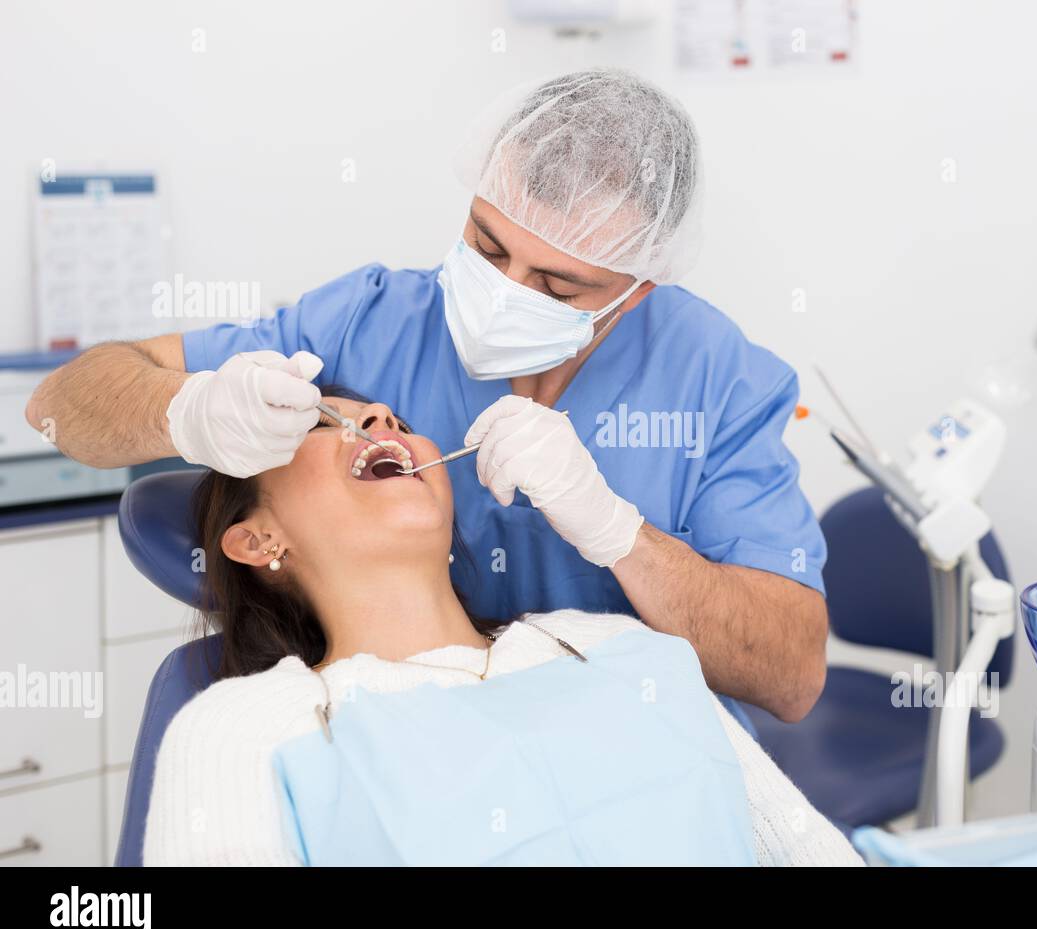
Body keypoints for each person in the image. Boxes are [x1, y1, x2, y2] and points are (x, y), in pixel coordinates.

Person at [27, 68, 827, 722]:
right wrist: (186, 411)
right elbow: (61, 403)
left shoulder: (717, 378)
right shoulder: (371, 320)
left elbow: (791, 678)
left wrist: (620, 535)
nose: (505, 290)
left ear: (637, 288)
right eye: (487, 243)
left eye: (556, 284)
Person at [143, 390, 862, 866]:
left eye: (391, 417)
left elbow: (812, 855)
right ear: (257, 540)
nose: (383, 419)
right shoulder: (245, 730)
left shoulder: (616, 647)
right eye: (319, 422)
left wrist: (620, 527)